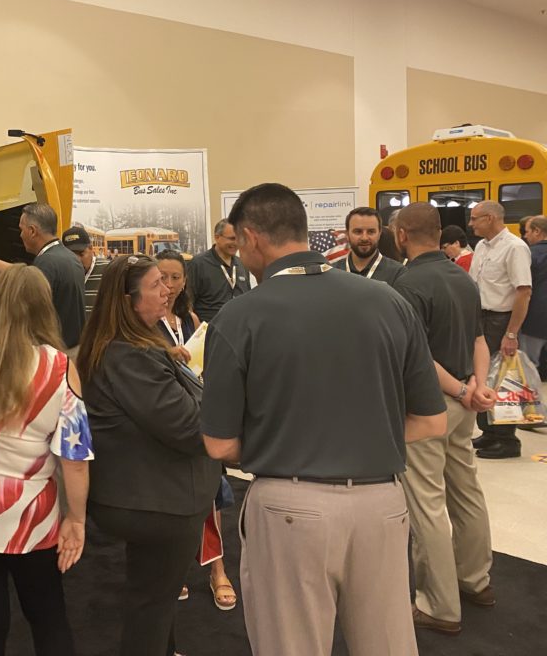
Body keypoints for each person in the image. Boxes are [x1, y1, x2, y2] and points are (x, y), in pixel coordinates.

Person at [200, 183, 445, 656]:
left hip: (288, 504)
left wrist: (288, 443)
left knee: (291, 645)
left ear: (250, 237)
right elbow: (432, 421)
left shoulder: (238, 317)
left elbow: (218, 445)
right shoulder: (389, 302)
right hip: (383, 503)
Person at [77, 254, 220, 656]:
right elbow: (189, 429)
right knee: (152, 604)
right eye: (156, 284)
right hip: (158, 500)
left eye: (168, 281)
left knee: (153, 597)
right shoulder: (130, 355)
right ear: (128, 301)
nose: (167, 290)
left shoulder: (131, 348)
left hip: (152, 495)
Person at [0, 264, 92, 656]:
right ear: (45, 306)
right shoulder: (60, 367)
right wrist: (75, 519)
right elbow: (74, 460)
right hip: (34, 516)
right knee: (48, 618)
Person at [392, 203, 496, 635]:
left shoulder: (406, 283)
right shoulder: (462, 276)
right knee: (466, 490)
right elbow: (479, 338)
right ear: (439, 233)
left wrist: (458, 388)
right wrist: (477, 386)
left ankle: (439, 605)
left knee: (427, 503)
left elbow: (416, 356)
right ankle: (476, 581)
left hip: (428, 406)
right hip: (463, 404)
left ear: (400, 235)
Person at [156, 249, 237, 613]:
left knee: (212, 493)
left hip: (200, 415)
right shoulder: (141, 322)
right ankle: (175, 571)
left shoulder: (189, 318)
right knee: (171, 497)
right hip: (165, 422)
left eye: (175, 278)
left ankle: (217, 569)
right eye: (162, 278)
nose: (169, 286)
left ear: (185, 280)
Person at [0, 202, 86, 348]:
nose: (20, 235)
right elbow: (22, 274)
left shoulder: (47, 263)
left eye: (21, 229)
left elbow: (27, 303)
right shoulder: (66, 257)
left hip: (55, 353)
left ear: (32, 231)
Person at [469, 200, 532, 459]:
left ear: (492, 218)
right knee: (483, 376)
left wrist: (511, 333)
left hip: (501, 319)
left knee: (503, 380)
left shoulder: (515, 247)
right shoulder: (482, 247)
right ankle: (489, 430)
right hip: (481, 318)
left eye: (475, 218)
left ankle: (507, 439)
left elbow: (523, 292)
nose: (471, 223)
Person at [187, 219, 251, 324]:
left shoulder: (242, 265)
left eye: (238, 239)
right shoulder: (198, 264)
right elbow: (188, 302)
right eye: (231, 238)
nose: (235, 243)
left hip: (239, 329)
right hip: (210, 331)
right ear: (217, 237)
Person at [330, 206, 404, 284]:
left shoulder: (397, 273)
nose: (364, 238)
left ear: (379, 234)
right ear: (347, 234)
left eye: (371, 232)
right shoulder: (332, 272)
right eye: (358, 232)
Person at [62, 224, 110, 316]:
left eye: (81, 254)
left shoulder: (109, 270)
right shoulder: (62, 275)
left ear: (91, 248)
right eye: (71, 255)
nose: (77, 260)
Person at [519, 215, 547, 368]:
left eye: (527, 231)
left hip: (534, 319)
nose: (525, 235)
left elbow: (523, 289)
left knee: (529, 366)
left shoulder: (528, 254)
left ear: (537, 231)